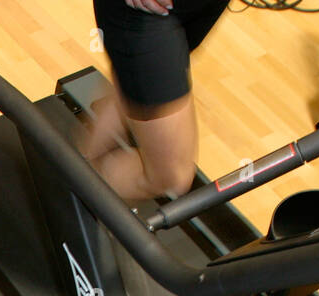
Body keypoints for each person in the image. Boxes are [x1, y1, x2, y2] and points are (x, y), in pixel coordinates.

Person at [84, 0, 227, 202]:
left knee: (131, 89)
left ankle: (82, 165)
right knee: (171, 176)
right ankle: (75, 187)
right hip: (142, 11)